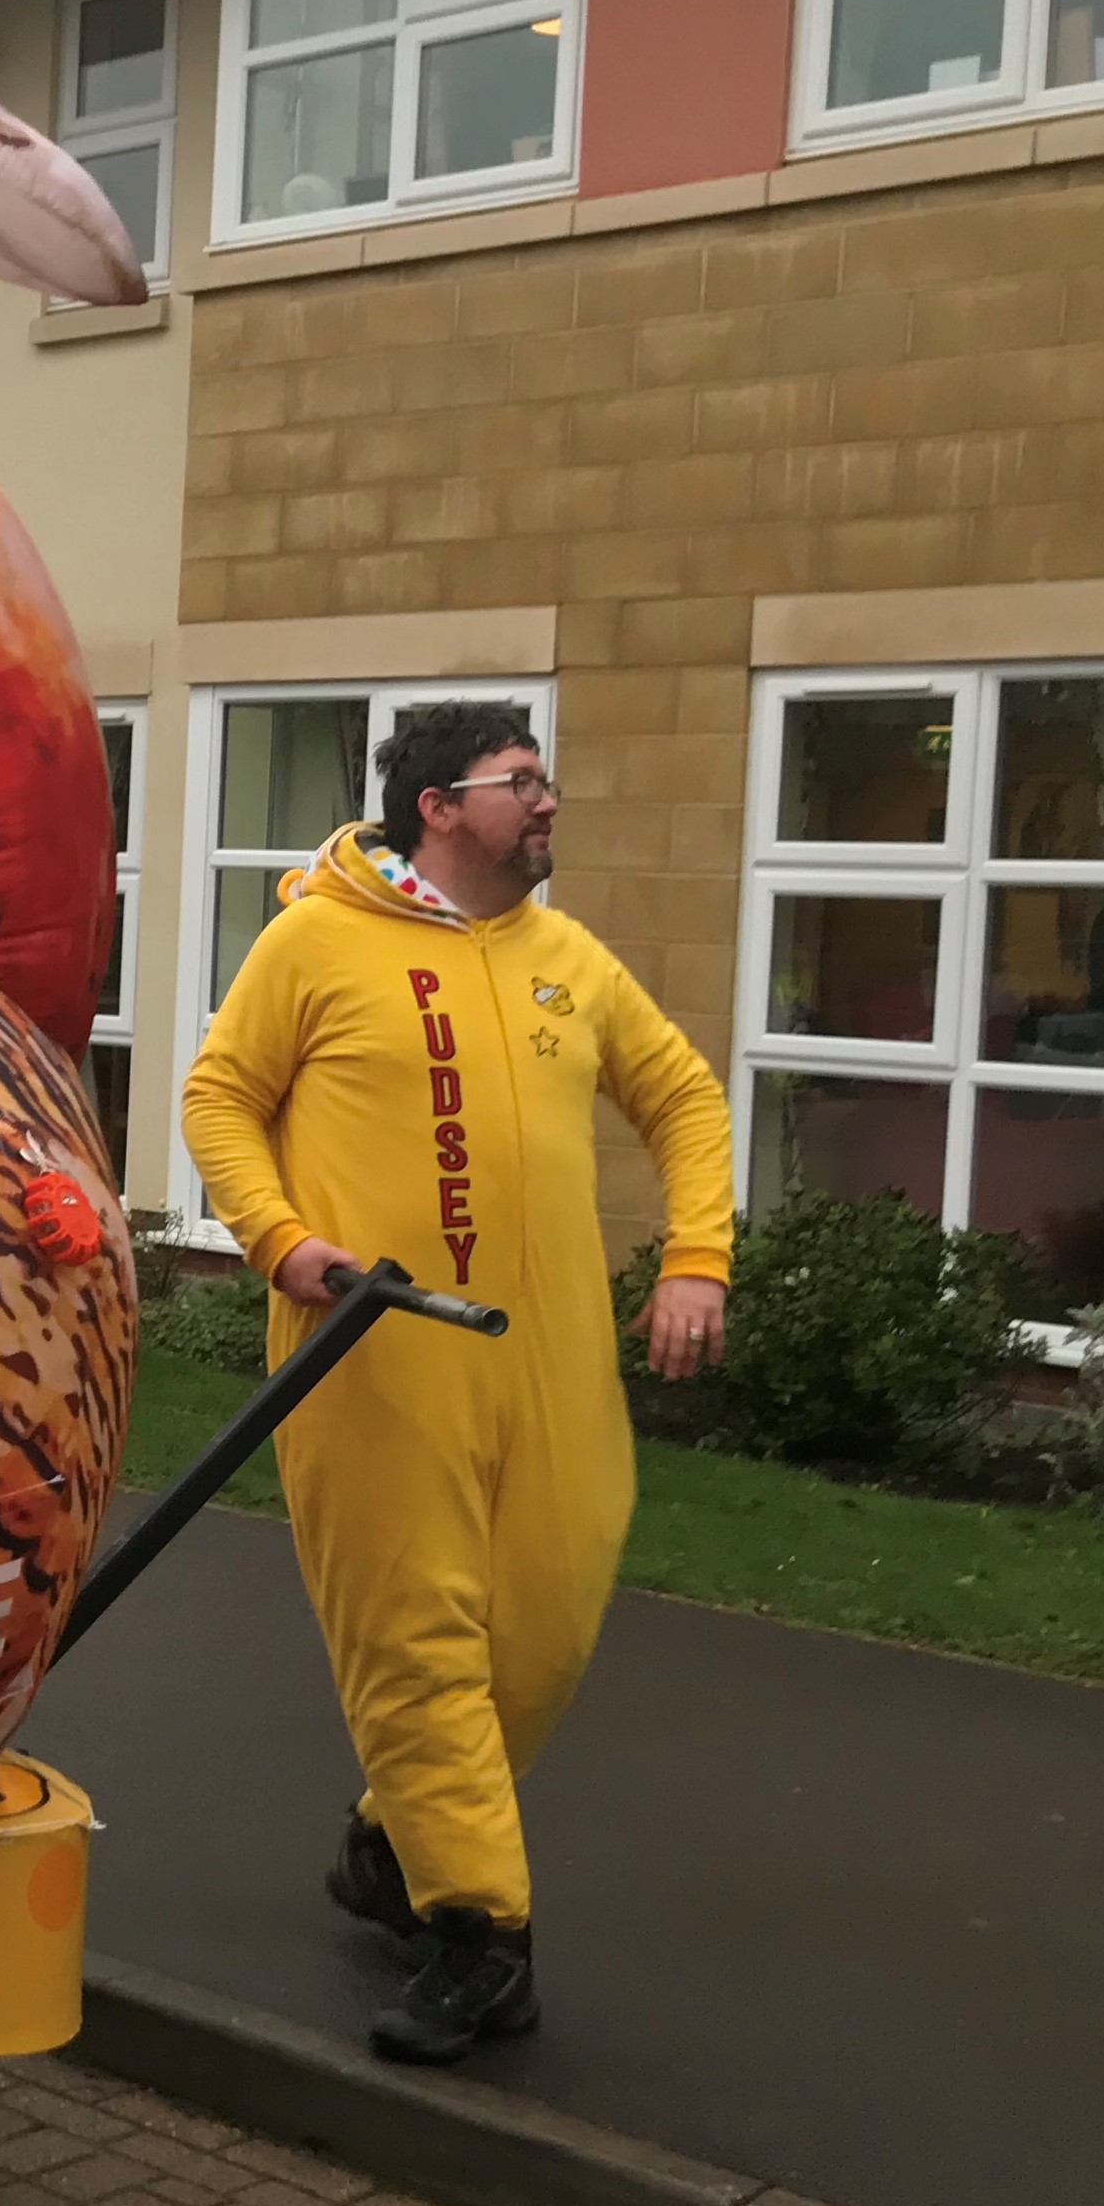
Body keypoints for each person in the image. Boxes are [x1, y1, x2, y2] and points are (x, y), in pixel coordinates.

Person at [178, 703, 731, 2064]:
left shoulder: (565, 959)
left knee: (535, 1631)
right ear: (437, 805)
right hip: (373, 1358)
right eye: (517, 782)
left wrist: (696, 1259)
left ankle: (391, 1841)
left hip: (548, 1367)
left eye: (543, 778)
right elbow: (214, 1097)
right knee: (415, 1639)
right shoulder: (314, 939)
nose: (543, 802)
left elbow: (684, 1098)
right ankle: (482, 1939)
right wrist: (278, 1239)